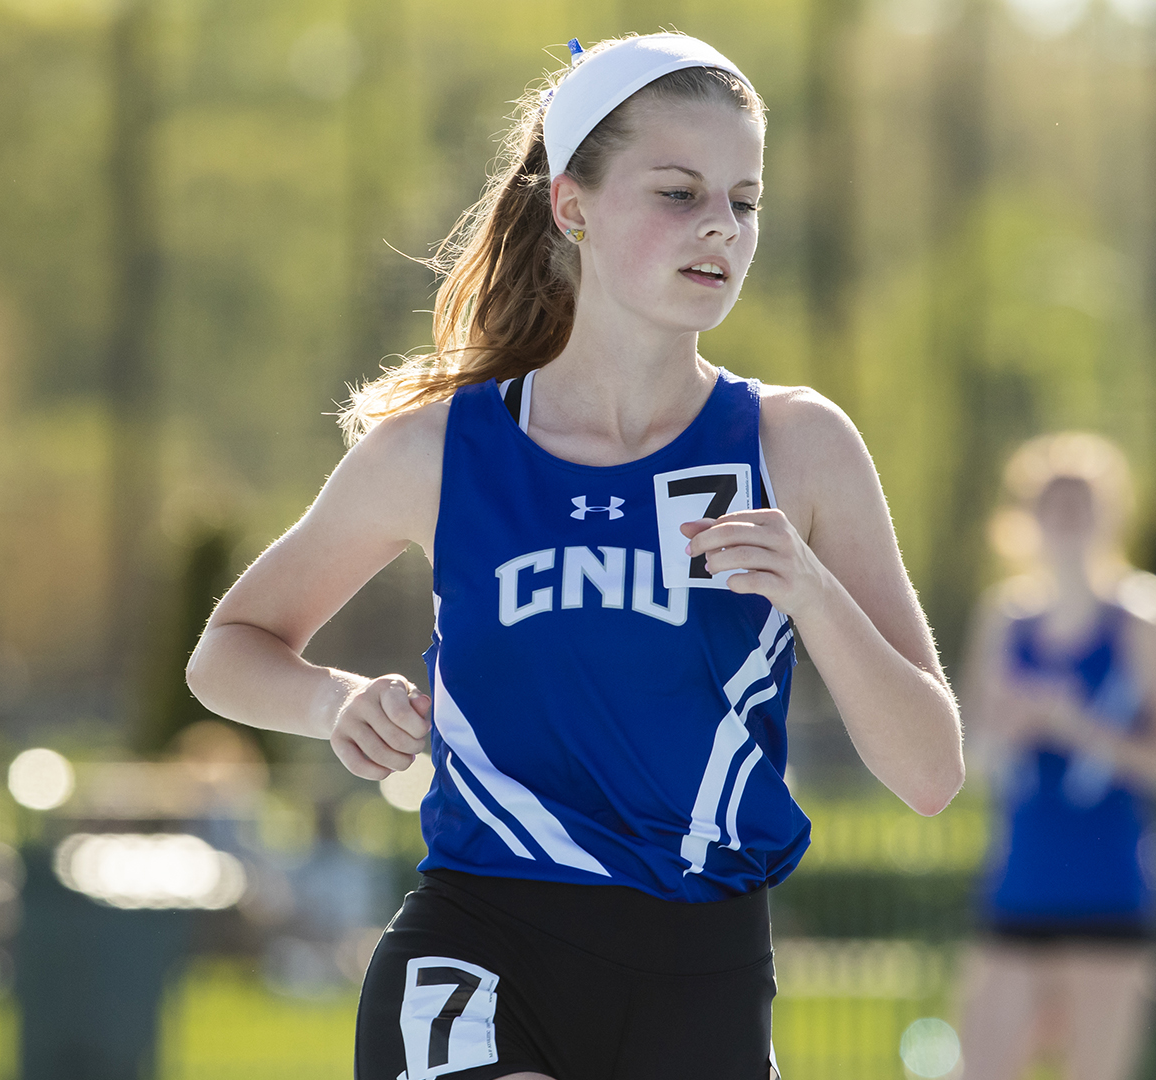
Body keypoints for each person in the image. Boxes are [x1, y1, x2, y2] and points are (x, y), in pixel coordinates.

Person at [184, 32, 963, 1080]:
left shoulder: (795, 445)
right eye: (678, 192)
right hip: (481, 940)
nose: (722, 228)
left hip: (702, 969)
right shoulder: (440, 450)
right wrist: (331, 705)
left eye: (745, 200)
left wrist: (811, 593)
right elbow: (226, 649)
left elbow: (929, 774)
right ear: (572, 205)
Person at [955, 432, 1156, 1080]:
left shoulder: (1146, 617)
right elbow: (972, 754)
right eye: (1051, 501)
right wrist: (1008, 731)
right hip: (1018, 887)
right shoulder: (1004, 619)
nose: (1066, 516)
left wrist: (1080, 727)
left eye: (1083, 500)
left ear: (1112, 513)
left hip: (1110, 890)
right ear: (1024, 517)